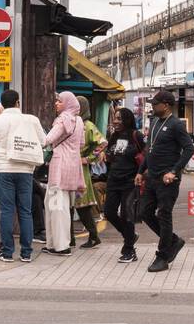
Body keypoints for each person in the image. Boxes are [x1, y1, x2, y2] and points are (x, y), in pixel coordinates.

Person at [0, 89, 45, 263]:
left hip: (4, 169)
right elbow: (44, 141)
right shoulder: (32, 120)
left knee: (7, 211)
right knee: (25, 211)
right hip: (25, 170)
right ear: (18, 102)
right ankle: (26, 253)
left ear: (2, 104)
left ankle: (7, 252)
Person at [135, 89, 194, 273]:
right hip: (151, 177)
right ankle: (173, 241)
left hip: (167, 180)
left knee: (164, 214)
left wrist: (174, 171)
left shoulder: (176, 125)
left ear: (166, 105)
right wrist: (140, 170)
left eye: (155, 103)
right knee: (144, 212)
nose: (152, 106)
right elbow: (149, 149)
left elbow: (189, 149)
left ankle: (162, 257)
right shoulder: (154, 122)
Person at [43, 91, 85, 254]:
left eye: (59, 101)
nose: (56, 103)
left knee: (55, 206)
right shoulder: (79, 120)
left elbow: (48, 139)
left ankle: (59, 245)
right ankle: (55, 244)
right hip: (72, 166)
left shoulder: (63, 119)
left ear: (67, 103)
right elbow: (81, 143)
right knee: (61, 205)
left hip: (59, 167)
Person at [103, 107, 145, 263]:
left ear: (127, 120)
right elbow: (111, 156)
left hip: (129, 181)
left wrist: (140, 174)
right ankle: (130, 237)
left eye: (119, 118)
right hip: (114, 180)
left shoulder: (136, 136)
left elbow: (146, 156)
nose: (115, 121)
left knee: (127, 216)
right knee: (109, 212)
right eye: (115, 118)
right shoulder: (114, 136)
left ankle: (129, 250)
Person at [73, 94, 106, 248]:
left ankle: (93, 236)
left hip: (80, 169)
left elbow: (102, 143)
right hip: (71, 166)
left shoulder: (87, 125)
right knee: (72, 204)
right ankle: (72, 238)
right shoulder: (73, 123)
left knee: (81, 204)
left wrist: (88, 158)